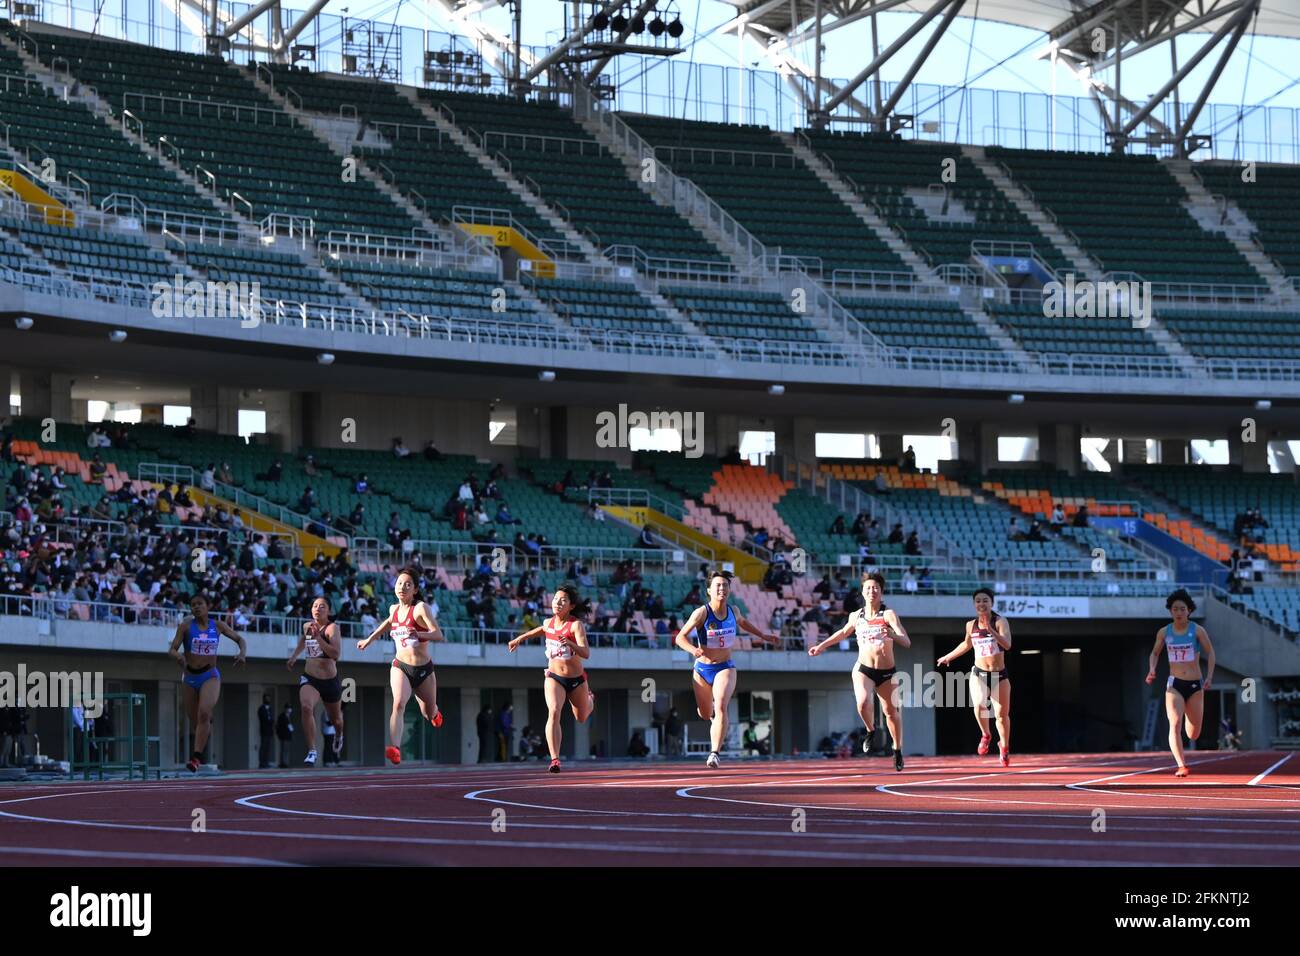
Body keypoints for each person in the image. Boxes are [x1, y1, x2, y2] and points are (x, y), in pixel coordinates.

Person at [674, 571, 778, 769]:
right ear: (709, 591)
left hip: (725, 667)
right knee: (706, 714)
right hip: (702, 669)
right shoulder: (701, 613)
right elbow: (680, 637)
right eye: (718, 586)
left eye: (725, 585)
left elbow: (744, 623)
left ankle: (714, 753)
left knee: (721, 706)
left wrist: (763, 636)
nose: (722, 589)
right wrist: (692, 649)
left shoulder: (734, 611)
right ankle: (709, 711)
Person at [809, 572, 911, 771]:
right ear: (862, 593)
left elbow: (906, 641)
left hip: (887, 672)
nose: (872, 591)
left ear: (881, 592)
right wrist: (822, 646)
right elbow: (843, 632)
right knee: (863, 703)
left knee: (891, 713)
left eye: (876, 588)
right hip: (863, 669)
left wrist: (891, 633)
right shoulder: (856, 616)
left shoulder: (888, 614)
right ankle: (870, 730)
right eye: (868, 588)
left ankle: (897, 749)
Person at [357, 566, 446, 765]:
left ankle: (435, 712)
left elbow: (438, 634)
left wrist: (419, 634)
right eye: (399, 583)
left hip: (423, 670)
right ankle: (395, 748)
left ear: (415, 589)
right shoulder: (393, 609)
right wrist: (369, 640)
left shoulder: (421, 608)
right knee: (398, 704)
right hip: (401, 666)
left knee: (428, 713)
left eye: (407, 584)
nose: (402, 587)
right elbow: (388, 623)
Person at [509, 584, 595, 773]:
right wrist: (520, 639)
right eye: (556, 599)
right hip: (554, 677)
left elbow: (586, 653)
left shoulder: (575, 625)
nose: (557, 603)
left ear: (571, 606)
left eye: (563, 600)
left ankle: (589, 699)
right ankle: (555, 759)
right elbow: (540, 630)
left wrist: (570, 642)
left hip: (577, 680)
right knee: (554, 711)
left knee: (581, 717)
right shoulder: (548, 623)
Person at [167, 593, 247, 773]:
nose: (196, 607)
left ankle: (196, 758)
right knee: (196, 721)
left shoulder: (217, 626)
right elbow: (171, 649)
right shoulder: (186, 627)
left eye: (199, 604)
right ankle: (205, 728)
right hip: (189, 677)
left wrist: (242, 653)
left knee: (203, 713)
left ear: (207, 606)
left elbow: (240, 639)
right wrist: (179, 656)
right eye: (193, 605)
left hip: (209, 675)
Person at [938, 587, 1013, 767]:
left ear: (992, 603)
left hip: (999, 675)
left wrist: (991, 631)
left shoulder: (1000, 622)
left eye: (985, 600)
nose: (982, 603)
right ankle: (986, 734)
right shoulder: (970, 625)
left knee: (1002, 716)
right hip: (979, 673)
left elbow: (1007, 644)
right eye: (978, 601)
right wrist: (949, 656)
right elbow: (966, 644)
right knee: (979, 704)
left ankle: (1004, 747)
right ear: (974, 604)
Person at [1146, 589, 1216, 777]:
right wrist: (1152, 669)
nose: (1178, 612)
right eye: (1175, 609)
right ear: (1170, 611)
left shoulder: (1197, 630)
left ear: (1189, 611)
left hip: (1195, 685)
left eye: (1182, 609)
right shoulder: (1164, 632)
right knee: (1174, 723)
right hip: (1174, 684)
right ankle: (1181, 765)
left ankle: (1189, 716)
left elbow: (1211, 653)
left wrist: (1209, 677)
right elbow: (1154, 653)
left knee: (1193, 734)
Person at [286, 597, 346, 767]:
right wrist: (294, 656)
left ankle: (339, 735)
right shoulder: (307, 626)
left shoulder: (332, 629)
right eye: (314, 606)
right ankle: (312, 750)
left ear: (329, 611)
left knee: (337, 721)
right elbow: (304, 640)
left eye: (322, 606)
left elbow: (335, 654)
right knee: (306, 707)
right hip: (310, 677)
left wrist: (318, 637)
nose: (317, 609)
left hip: (329, 681)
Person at [257, 694, 275, 768]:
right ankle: (262, 763)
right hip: (264, 730)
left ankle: (266, 762)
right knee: (263, 747)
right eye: (267, 698)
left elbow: (272, 718)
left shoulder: (270, 708)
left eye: (269, 698)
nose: (268, 700)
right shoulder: (261, 709)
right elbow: (264, 719)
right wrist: (269, 720)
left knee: (268, 747)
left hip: (270, 730)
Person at [275, 703, 294, 768]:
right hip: (283, 735)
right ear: (285, 709)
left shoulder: (289, 716)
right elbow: (279, 726)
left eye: (290, 708)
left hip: (288, 735)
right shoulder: (282, 716)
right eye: (288, 708)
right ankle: (283, 763)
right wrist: (279, 734)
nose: (289, 710)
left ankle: (286, 762)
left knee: (287, 750)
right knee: (283, 749)